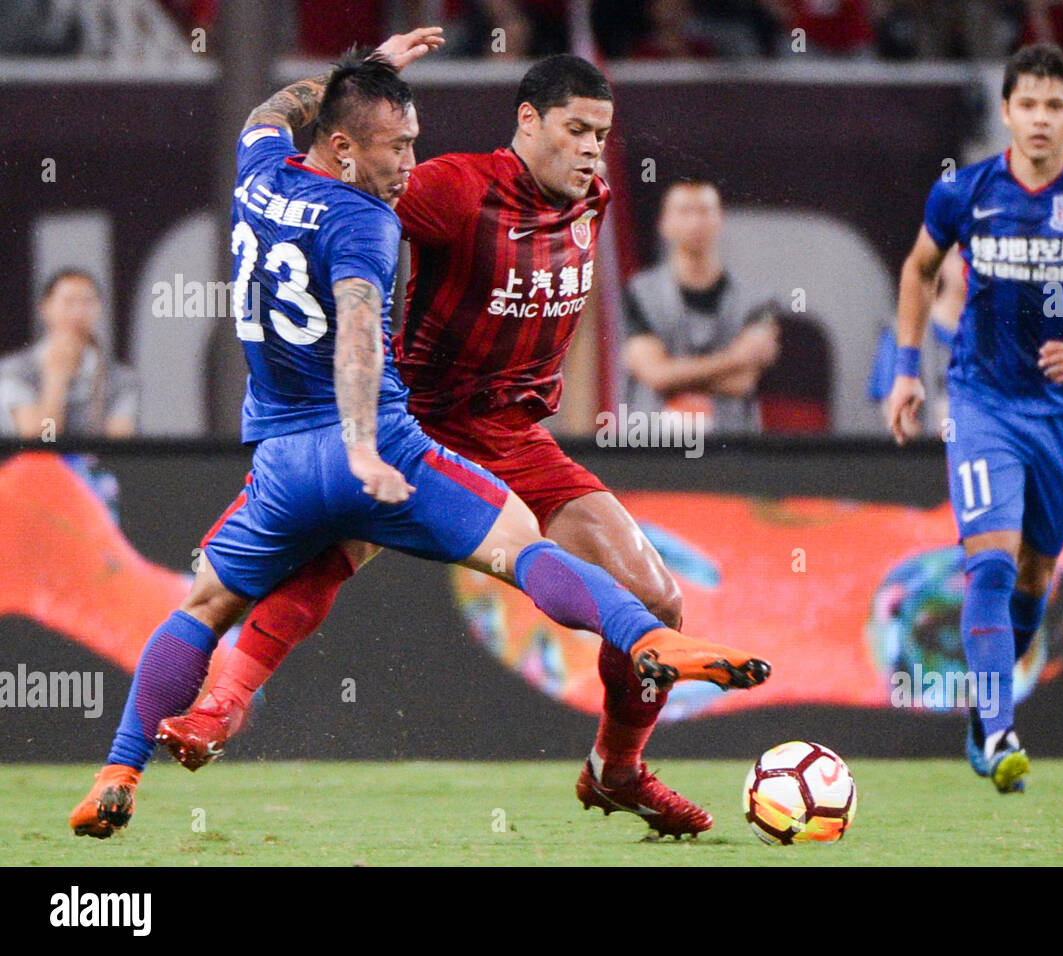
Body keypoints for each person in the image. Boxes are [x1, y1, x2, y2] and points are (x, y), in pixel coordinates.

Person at [69, 31, 769, 840]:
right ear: (528, 121)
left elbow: (277, 120)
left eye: (602, 136)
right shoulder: (431, 193)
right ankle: (221, 706)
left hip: (489, 431)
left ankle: (616, 768)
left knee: (658, 592)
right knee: (405, 551)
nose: (590, 150)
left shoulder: (589, 197)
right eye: (575, 130)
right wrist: (366, 439)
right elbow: (362, 314)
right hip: (414, 422)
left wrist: (363, 74)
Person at [883, 42, 1063, 793]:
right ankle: (1002, 725)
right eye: (1027, 104)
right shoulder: (965, 192)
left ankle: (986, 716)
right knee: (993, 560)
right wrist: (906, 372)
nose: (1039, 118)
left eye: (1054, 105)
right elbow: (917, 268)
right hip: (981, 402)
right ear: (1006, 113)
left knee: (1038, 570)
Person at [622, 178, 780, 435]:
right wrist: (736, 357)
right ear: (664, 223)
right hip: (653, 448)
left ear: (720, 220)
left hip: (731, 447)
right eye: (684, 212)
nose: (695, 223)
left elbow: (743, 381)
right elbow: (655, 374)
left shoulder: (757, 299)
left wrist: (675, 375)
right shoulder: (640, 293)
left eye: (704, 211)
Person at [0, 270, 139, 439]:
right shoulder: (15, 372)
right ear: (46, 307)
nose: (78, 312)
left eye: (87, 302)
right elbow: (43, 440)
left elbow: (119, 449)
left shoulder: (121, 379)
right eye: (68, 302)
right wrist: (56, 380)